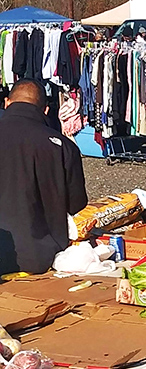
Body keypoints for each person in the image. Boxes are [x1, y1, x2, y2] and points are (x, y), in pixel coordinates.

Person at [0, 79, 88, 275]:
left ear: (6, 102)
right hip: (39, 258)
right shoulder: (62, 146)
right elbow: (77, 204)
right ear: (46, 110)